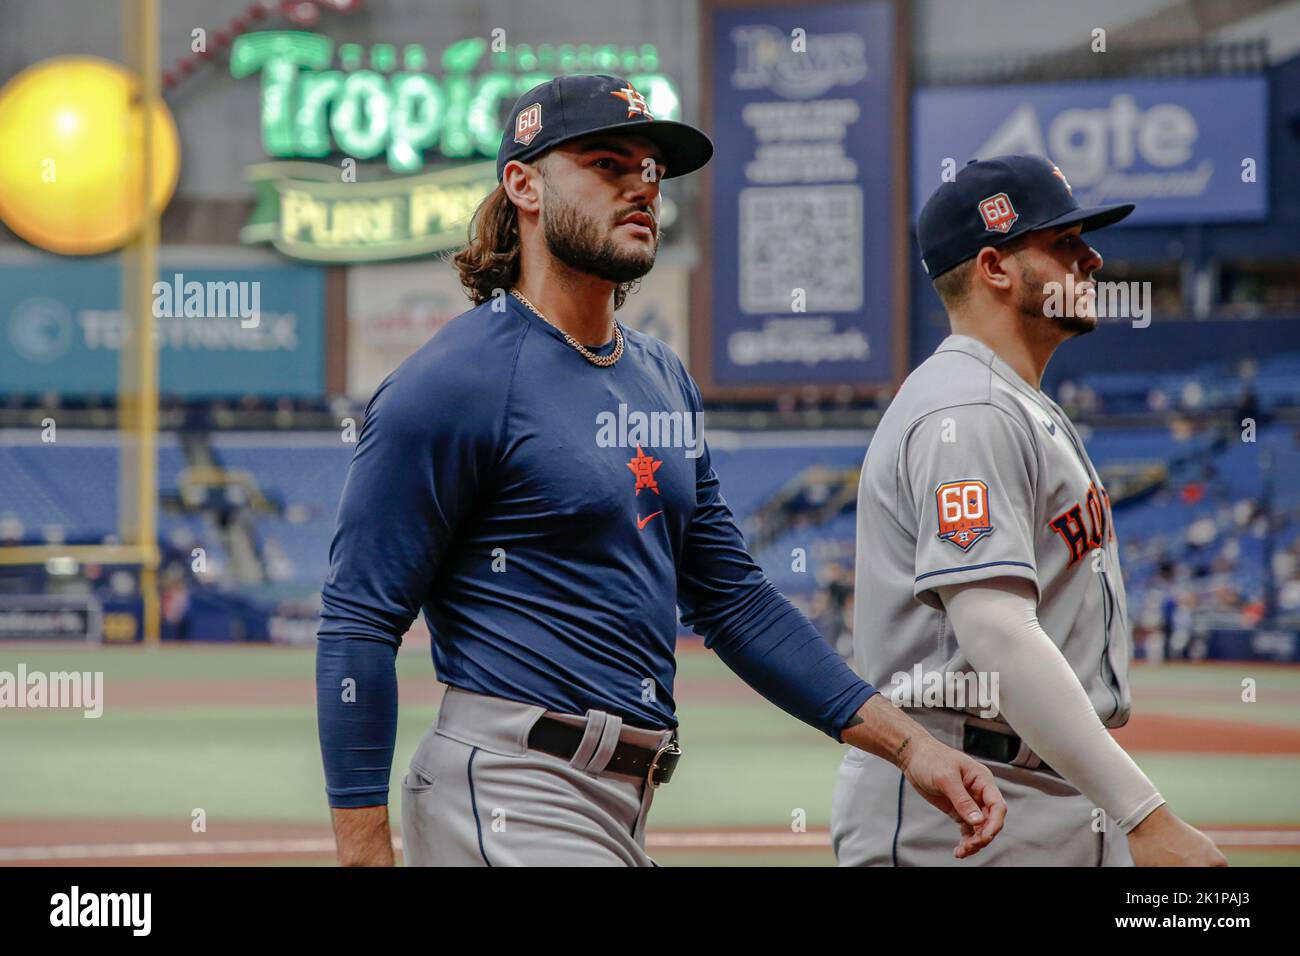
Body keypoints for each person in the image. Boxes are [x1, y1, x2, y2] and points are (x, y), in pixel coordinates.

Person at [316, 74, 1006, 867]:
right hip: (511, 792)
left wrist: (911, 745)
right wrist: (364, 854)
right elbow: (358, 621)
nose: (642, 186)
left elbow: (734, 600)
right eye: (606, 164)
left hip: (619, 803)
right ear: (524, 186)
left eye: (650, 169)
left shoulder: (661, 377)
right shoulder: (454, 381)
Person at [831, 155, 1226, 866]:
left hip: (1037, 785)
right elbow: (997, 629)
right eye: (1065, 243)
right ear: (995, 267)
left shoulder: (1010, 401)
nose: (1092, 259)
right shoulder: (968, 409)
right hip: (966, 798)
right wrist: (1145, 815)